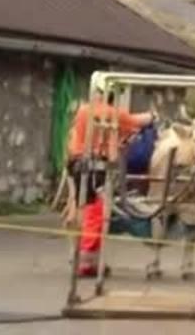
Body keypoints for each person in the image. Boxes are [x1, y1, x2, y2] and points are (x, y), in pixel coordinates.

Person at [65, 89, 156, 278]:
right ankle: (86, 262)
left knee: (82, 207)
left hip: (75, 164)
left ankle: (85, 257)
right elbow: (137, 121)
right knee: (95, 211)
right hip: (96, 166)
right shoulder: (114, 113)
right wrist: (152, 116)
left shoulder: (83, 110)